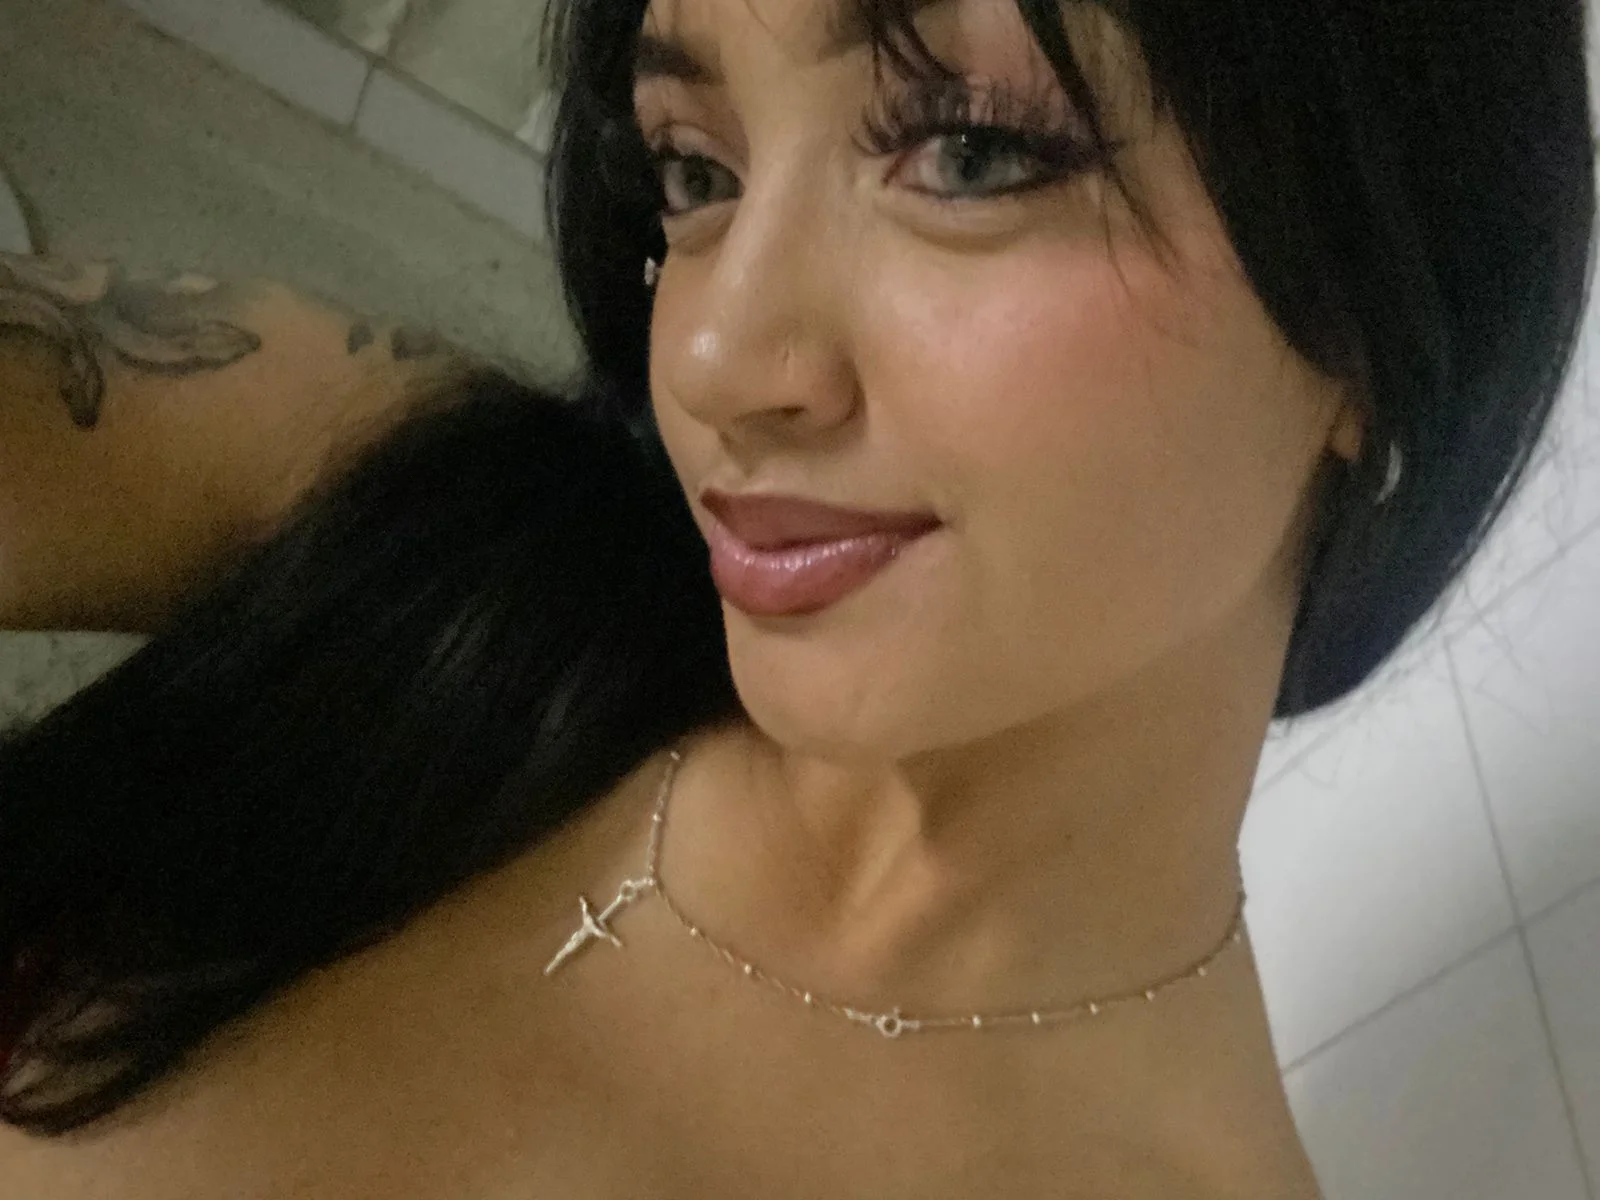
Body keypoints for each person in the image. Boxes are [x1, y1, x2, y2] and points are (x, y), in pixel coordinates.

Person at [0, 0, 1592, 1194]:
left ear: (1378, 312)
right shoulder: (418, 517)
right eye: (696, 170)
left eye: (969, 153)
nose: (711, 357)